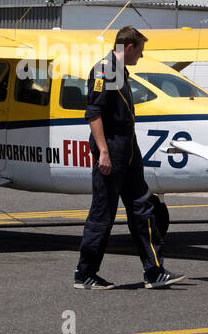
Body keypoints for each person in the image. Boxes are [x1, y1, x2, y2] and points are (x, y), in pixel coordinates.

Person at [73, 26, 185, 290]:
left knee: (142, 207)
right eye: (141, 51)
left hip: (128, 149)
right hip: (111, 148)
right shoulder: (106, 70)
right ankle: (85, 273)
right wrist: (102, 151)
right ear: (129, 47)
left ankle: (153, 270)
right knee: (103, 213)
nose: (141, 57)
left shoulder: (119, 70)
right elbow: (94, 114)